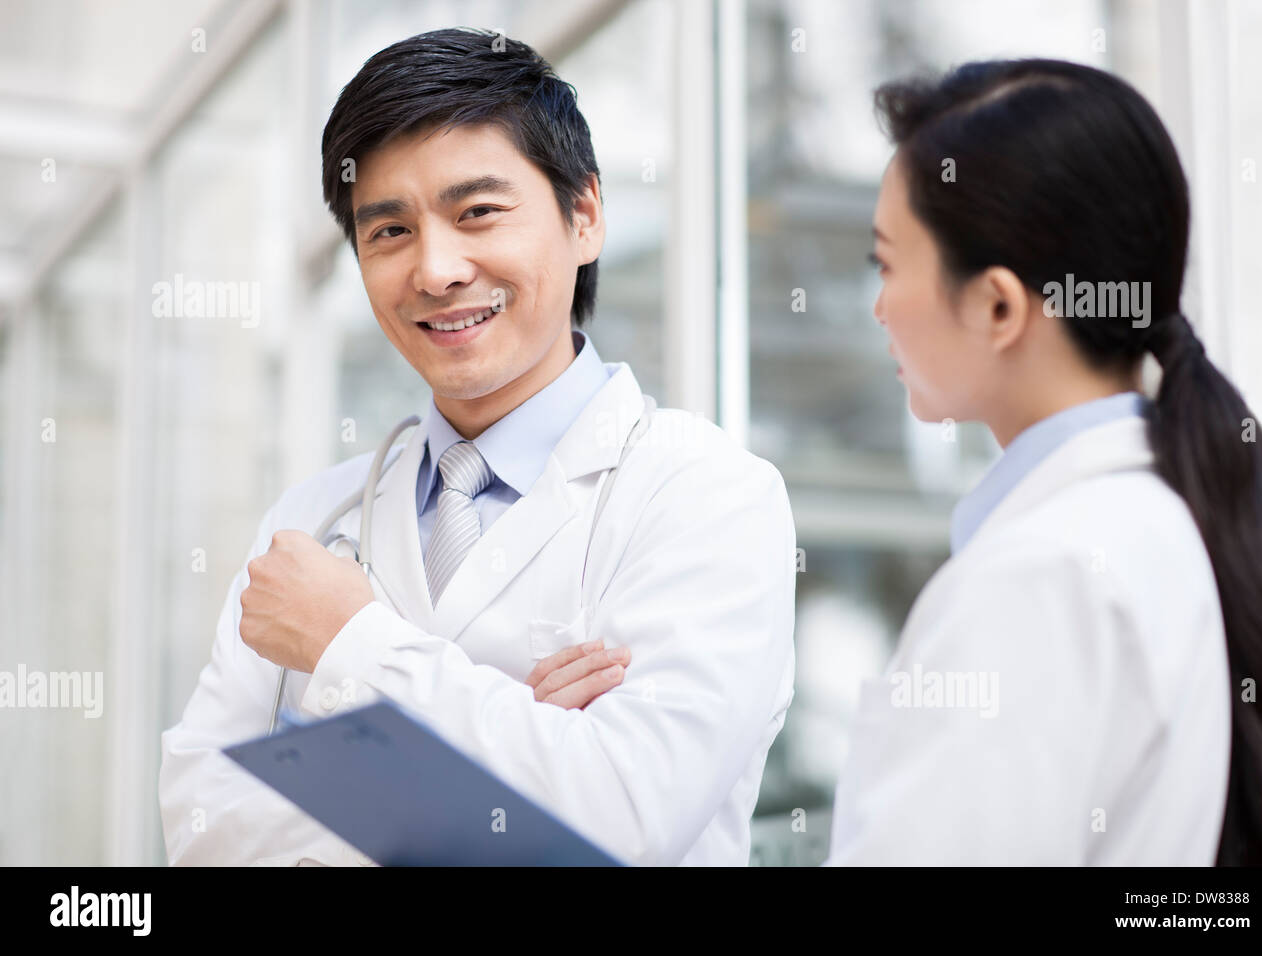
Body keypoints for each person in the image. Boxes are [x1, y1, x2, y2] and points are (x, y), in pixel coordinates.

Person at [158, 28, 796, 867]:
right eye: (388, 231)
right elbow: (199, 824)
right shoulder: (312, 521)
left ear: (586, 215)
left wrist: (351, 643)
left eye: (478, 213)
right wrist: (512, 739)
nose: (436, 269)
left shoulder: (706, 495)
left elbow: (623, 817)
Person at [824, 59, 1262, 865]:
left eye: (888, 264)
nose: (880, 306)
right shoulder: (1155, 517)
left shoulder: (1042, 573)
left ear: (998, 306)